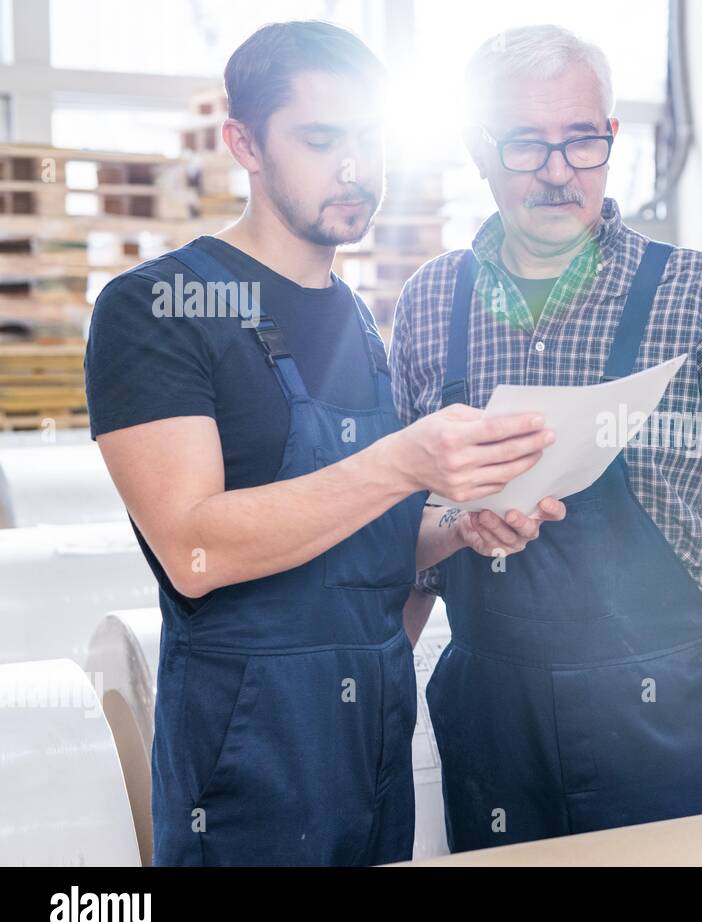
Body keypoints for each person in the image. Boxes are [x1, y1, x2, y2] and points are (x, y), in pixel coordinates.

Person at [391, 24, 702, 853]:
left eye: (582, 141)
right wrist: (448, 541)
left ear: (612, 139)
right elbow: (397, 521)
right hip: (490, 712)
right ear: (479, 150)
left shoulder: (699, 293)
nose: (557, 171)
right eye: (526, 145)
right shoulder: (434, 301)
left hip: (663, 710)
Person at [85, 20, 561, 866]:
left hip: (373, 735)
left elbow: (359, 539)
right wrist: (406, 460)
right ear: (245, 144)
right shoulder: (153, 308)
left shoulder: (354, 322)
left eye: (371, 139)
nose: (355, 168)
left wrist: (457, 527)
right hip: (251, 754)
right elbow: (194, 549)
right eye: (320, 139)